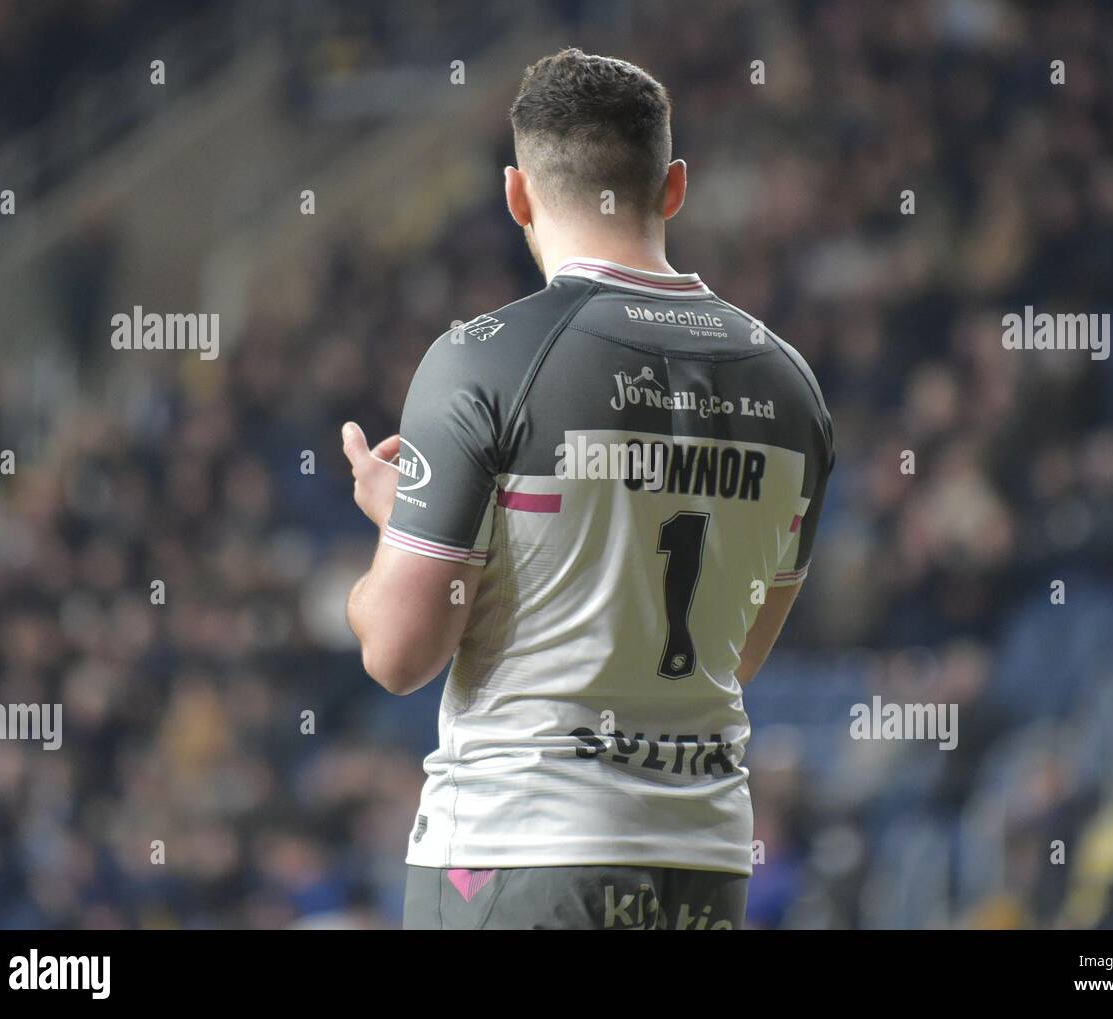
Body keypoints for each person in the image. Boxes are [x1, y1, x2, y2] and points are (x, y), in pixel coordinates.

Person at [342, 47, 834, 930]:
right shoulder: (791, 386)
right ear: (673, 187)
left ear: (516, 195)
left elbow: (399, 652)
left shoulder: (486, 358)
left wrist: (398, 526)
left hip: (519, 851)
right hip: (706, 861)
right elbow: (740, 653)